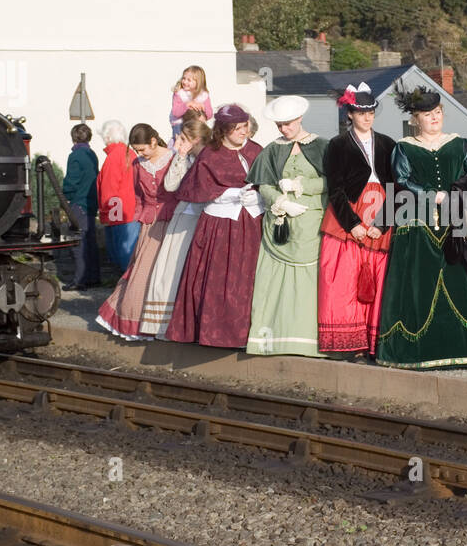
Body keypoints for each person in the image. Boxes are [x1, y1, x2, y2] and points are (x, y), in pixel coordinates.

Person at [375, 88, 467, 369]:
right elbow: (400, 180)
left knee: (464, 283)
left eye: (437, 113)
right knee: (417, 287)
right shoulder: (404, 147)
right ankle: (419, 352)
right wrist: (432, 195)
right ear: (415, 119)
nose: (434, 118)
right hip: (418, 227)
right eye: (427, 115)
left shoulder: (459, 144)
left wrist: (455, 194)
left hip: (457, 222)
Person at [164, 104, 263, 348]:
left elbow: (269, 180)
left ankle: (246, 334)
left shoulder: (256, 151)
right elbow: (193, 188)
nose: (243, 131)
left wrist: (260, 195)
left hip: (251, 224)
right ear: (224, 130)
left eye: (245, 126)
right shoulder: (211, 154)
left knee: (248, 279)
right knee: (219, 280)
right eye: (237, 128)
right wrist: (227, 194)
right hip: (219, 227)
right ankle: (214, 333)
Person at [245, 96, 329, 357]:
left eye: (288, 124)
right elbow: (264, 184)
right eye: (280, 125)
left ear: (300, 119)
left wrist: (302, 187)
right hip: (280, 222)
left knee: (309, 282)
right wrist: (280, 200)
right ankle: (275, 338)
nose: (284, 129)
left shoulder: (323, 146)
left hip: (312, 221)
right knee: (276, 280)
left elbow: (332, 182)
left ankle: (311, 342)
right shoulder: (271, 149)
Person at [319, 83, 396, 356]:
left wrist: (382, 223)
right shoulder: (337, 145)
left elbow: (398, 188)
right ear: (350, 113)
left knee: (379, 275)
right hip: (350, 210)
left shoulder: (388, 144)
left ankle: (376, 342)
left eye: (371, 112)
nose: (367, 117)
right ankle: (350, 342)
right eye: (360, 113)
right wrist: (352, 224)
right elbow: (335, 188)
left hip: (381, 210)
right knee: (345, 276)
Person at [96, 123, 175, 339]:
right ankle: (138, 321)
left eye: (142, 150)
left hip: (173, 222)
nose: (138, 154)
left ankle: (164, 323)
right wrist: (140, 216)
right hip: (149, 223)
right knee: (141, 271)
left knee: (167, 274)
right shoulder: (139, 163)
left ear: (153, 141)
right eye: (136, 150)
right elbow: (138, 194)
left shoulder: (173, 158)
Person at [139, 110, 210, 336]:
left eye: (182, 139)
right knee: (169, 270)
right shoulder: (182, 158)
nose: (177, 142)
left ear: (195, 140)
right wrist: (180, 156)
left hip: (200, 218)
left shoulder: (208, 158)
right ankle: (165, 324)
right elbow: (170, 185)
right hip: (182, 217)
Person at [97, 120, 140, 273]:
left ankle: (126, 293)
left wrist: (107, 216)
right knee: (131, 257)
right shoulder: (130, 153)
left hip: (120, 215)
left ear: (107, 136)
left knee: (123, 257)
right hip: (132, 211)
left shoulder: (113, 157)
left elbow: (110, 191)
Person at [62, 123, 101, 290]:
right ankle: (93, 277)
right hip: (91, 203)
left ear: (73, 137)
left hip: (79, 203)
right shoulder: (92, 154)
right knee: (90, 242)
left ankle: (79, 280)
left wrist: (67, 198)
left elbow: (71, 182)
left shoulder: (75, 156)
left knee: (78, 243)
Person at [169, 65, 213, 144]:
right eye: (184, 78)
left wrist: (203, 107)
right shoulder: (179, 93)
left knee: (200, 141)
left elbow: (209, 115)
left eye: (189, 80)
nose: (185, 82)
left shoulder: (203, 95)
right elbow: (175, 112)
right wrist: (187, 105)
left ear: (198, 82)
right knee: (181, 144)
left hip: (196, 125)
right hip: (180, 125)